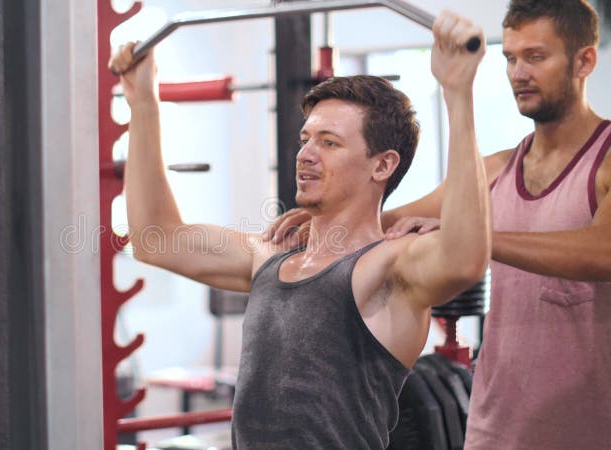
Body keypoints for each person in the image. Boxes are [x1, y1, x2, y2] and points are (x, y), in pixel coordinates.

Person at [109, 11, 489, 450]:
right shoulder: (271, 254)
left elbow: (465, 257)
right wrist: (142, 102)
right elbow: (158, 238)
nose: (306, 153)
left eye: (329, 142)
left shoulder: (389, 267)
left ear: (382, 164)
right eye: (306, 138)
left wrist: (458, 93)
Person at [266, 1, 611, 448]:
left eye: (536, 56)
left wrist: (474, 239)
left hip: (591, 428)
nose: (518, 73)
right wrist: (319, 224)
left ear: (585, 61)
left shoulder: (604, 160)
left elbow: (602, 252)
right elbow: (385, 220)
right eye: (510, 57)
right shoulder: (495, 171)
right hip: (495, 426)